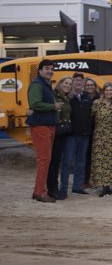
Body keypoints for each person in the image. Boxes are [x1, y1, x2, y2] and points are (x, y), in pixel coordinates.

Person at [27, 59, 60, 202]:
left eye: (52, 68)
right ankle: (40, 192)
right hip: (41, 126)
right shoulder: (37, 85)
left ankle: (38, 191)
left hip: (48, 125)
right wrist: (53, 107)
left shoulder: (46, 85)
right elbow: (34, 104)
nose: (50, 71)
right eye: (47, 68)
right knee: (44, 160)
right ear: (39, 71)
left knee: (45, 160)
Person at [91, 83, 112, 197]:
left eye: (111, 90)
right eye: (107, 90)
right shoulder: (96, 103)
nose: (109, 92)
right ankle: (104, 186)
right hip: (100, 136)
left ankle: (111, 184)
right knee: (101, 161)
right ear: (103, 91)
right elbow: (91, 117)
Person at [64, 75, 92, 197]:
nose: (78, 83)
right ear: (72, 82)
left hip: (85, 135)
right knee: (68, 162)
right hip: (71, 135)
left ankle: (77, 186)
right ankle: (63, 188)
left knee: (81, 162)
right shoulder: (68, 98)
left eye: (81, 80)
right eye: (76, 80)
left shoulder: (87, 98)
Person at [47, 76, 72, 199]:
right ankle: (52, 189)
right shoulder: (54, 96)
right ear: (60, 83)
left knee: (57, 161)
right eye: (65, 83)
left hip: (64, 132)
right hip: (56, 132)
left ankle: (54, 188)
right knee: (54, 161)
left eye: (69, 84)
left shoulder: (67, 97)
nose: (67, 85)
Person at [82, 77, 99, 187]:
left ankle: (95, 179)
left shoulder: (99, 98)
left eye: (92, 85)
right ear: (84, 87)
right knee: (85, 156)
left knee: (95, 157)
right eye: (88, 85)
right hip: (85, 130)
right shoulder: (81, 97)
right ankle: (85, 180)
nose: (90, 87)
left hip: (97, 131)